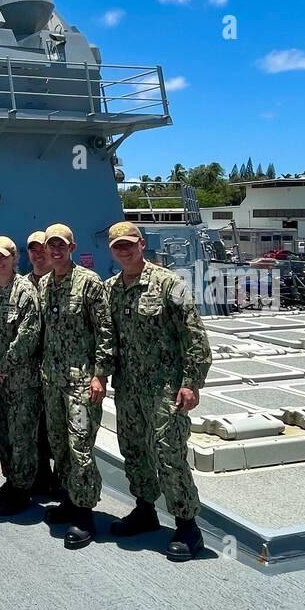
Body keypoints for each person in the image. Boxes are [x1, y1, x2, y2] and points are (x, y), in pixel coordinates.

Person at [105, 222, 211, 561]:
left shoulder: (169, 284)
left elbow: (195, 338)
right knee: (134, 450)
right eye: (117, 246)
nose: (124, 250)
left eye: (129, 244)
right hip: (128, 388)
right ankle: (145, 509)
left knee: (169, 455)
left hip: (165, 389)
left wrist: (191, 382)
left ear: (142, 244)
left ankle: (187, 526)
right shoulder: (112, 289)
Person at [40, 223, 113, 550]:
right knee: (59, 444)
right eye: (50, 245)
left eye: (62, 245)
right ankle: (71, 498)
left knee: (80, 445)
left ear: (72, 247)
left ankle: (84, 513)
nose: (56, 250)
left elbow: (105, 333)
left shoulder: (89, 283)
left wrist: (100, 375)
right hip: (53, 380)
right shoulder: (44, 284)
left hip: (81, 381)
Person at [0, 236, 41, 515]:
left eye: (3, 256)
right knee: (3, 434)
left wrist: (3, 366)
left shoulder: (26, 291)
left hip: (20, 380)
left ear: (14, 258)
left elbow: (28, 335)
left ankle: (22, 489)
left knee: (22, 436)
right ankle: (10, 481)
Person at [24, 230, 57, 495]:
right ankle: (40, 474)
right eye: (32, 249)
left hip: (58, 370)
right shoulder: (24, 286)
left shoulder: (60, 283)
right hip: (29, 371)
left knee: (59, 427)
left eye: (41, 248)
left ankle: (62, 481)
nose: (37, 253)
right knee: (35, 426)